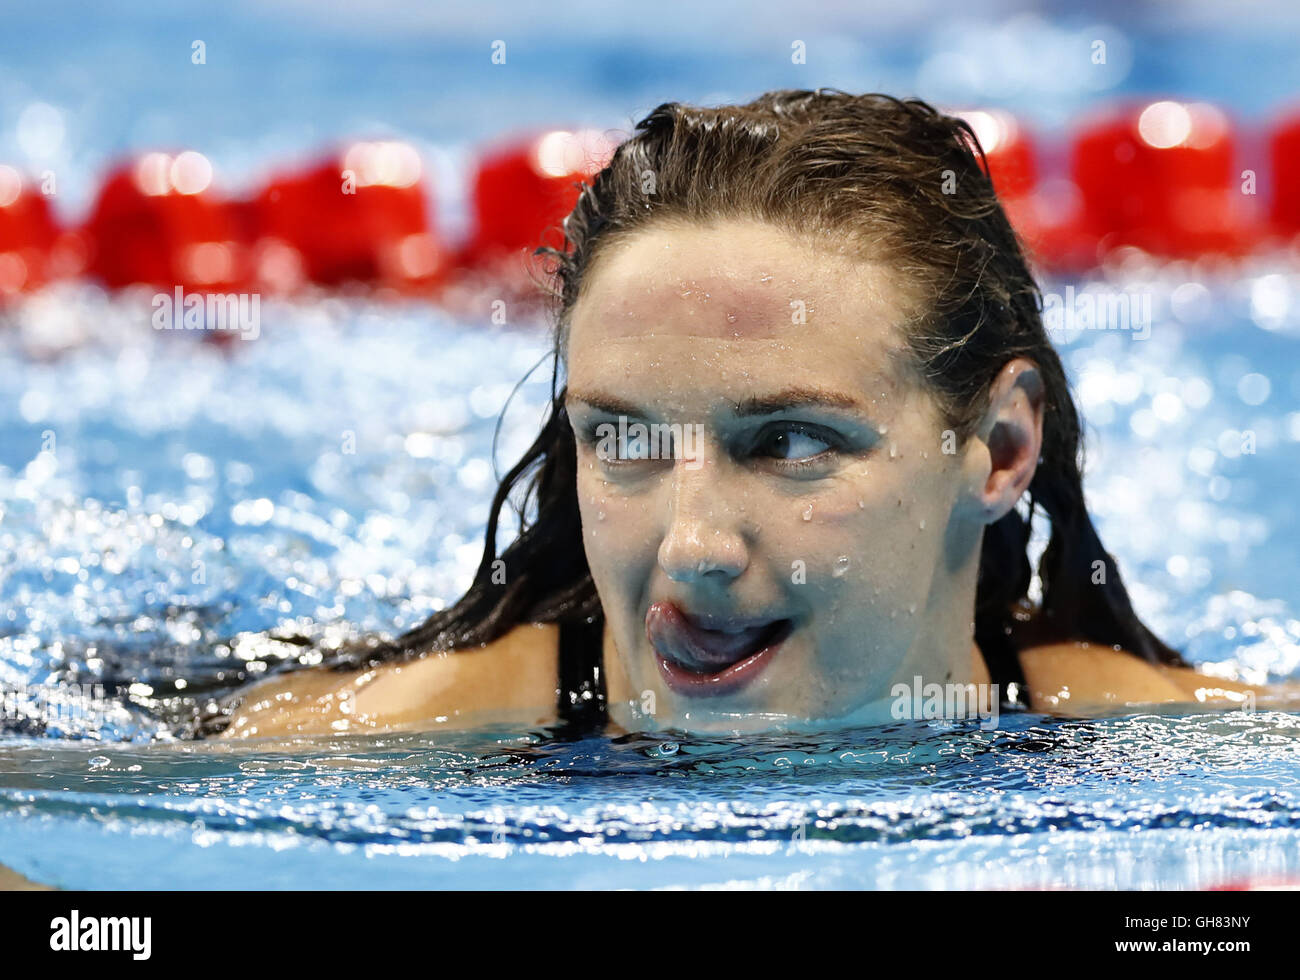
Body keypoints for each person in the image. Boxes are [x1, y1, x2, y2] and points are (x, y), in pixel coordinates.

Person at [206, 89, 1286, 740]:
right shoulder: (381, 745)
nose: (690, 548)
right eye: (621, 437)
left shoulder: (1167, 744)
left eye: (787, 442)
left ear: (998, 450)